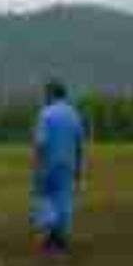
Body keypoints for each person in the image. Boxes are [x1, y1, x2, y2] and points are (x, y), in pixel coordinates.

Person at [32, 79, 86, 254]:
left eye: (46, 93)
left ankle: (51, 234)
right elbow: (79, 145)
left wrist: (37, 165)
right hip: (68, 164)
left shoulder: (45, 114)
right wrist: (78, 169)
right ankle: (60, 238)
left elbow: (41, 143)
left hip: (48, 163)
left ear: (51, 94)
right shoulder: (74, 114)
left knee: (45, 197)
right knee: (64, 200)